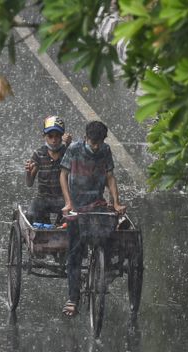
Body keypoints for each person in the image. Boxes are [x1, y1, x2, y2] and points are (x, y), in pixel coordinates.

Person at [59, 120, 126, 316]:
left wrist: (116, 202)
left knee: (109, 237)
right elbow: (63, 175)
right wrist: (68, 202)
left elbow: (110, 177)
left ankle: (105, 270)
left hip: (96, 204)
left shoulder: (105, 151)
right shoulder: (74, 149)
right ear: (86, 138)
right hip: (77, 206)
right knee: (75, 254)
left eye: (98, 143)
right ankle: (73, 298)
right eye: (92, 142)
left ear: (103, 141)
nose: (95, 146)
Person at [25, 115, 72, 224]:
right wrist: (28, 173)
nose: (54, 140)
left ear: (62, 136)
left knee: (72, 218)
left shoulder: (68, 152)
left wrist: (69, 144)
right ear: (44, 136)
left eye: (57, 136)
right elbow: (29, 183)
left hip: (63, 199)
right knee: (32, 215)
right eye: (50, 136)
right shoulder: (39, 154)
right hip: (43, 199)